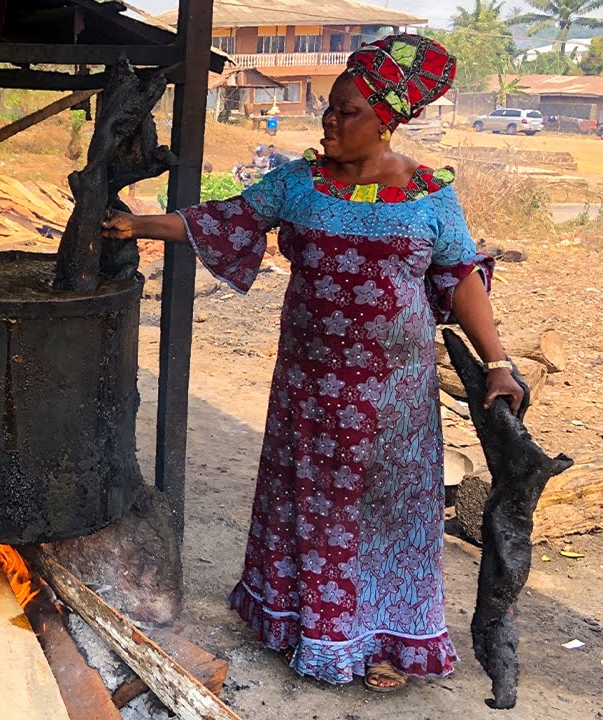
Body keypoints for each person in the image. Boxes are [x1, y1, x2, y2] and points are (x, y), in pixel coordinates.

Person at [103, 34, 523, 693]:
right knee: (311, 505)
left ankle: (389, 638)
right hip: (310, 388)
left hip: (395, 399)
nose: (329, 121)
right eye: (328, 109)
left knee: (389, 515)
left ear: (387, 119)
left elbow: (461, 277)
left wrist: (497, 362)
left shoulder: (429, 198)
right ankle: (302, 625)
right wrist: (141, 227)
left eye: (346, 112)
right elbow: (228, 217)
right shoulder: (300, 184)